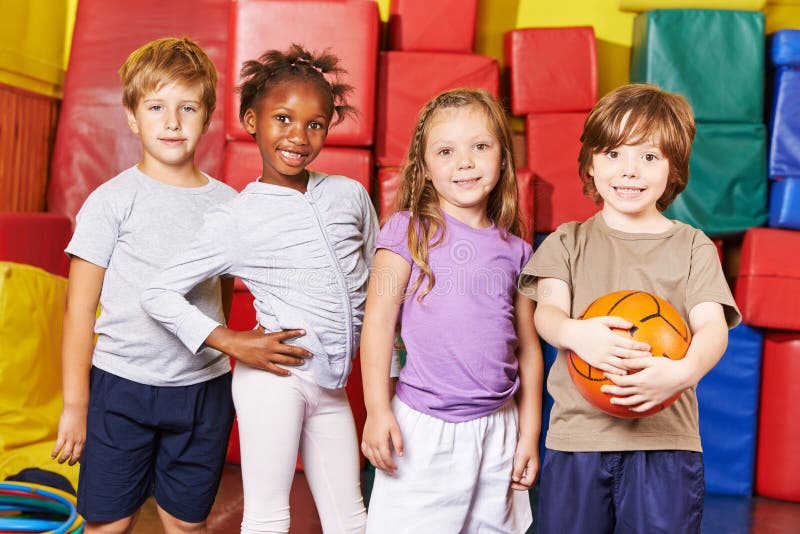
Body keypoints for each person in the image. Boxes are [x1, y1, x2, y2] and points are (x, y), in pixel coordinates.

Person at [140, 44, 376, 534]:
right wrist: (230, 340)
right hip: (275, 381)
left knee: (350, 518)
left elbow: (379, 285)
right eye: (283, 119)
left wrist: (387, 378)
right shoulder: (236, 218)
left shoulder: (349, 195)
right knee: (269, 516)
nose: (298, 136)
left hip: (333, 386)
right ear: (252, 120)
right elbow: (157, 292)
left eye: (315, 124)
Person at [519, 83, 741, 533]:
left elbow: (713, 330)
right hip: (579, 439)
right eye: (614, 153)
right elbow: (548, 314)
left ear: (674, 169)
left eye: (650, 157)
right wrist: (577, 334)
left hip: (666, 443)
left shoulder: (693, 246)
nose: (630, 171)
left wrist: (683, 373)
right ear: (591, 163)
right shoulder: (568, 240)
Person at [50, 37, 238, 532]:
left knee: (186, 524)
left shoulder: (229, 205)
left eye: (187, 107)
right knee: (108, 524)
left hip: (202, 390)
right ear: (133, 117)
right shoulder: (111, 201)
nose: (172, 122)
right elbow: (78, 310)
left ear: (208, 115)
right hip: (121, 386)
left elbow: (221, 296)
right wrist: (75, 405)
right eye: (156, 107)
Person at [360, 88, 542, 533]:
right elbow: (379, 324)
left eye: (480, 146)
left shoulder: (517, 251)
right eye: (446, 151)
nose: (465, 162)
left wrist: (530, 433)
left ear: (502, 158)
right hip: (424, 427)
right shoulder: (406, 231)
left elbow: (530, 350)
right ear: (424, 168)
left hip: (499, 428)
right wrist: (377, 410)